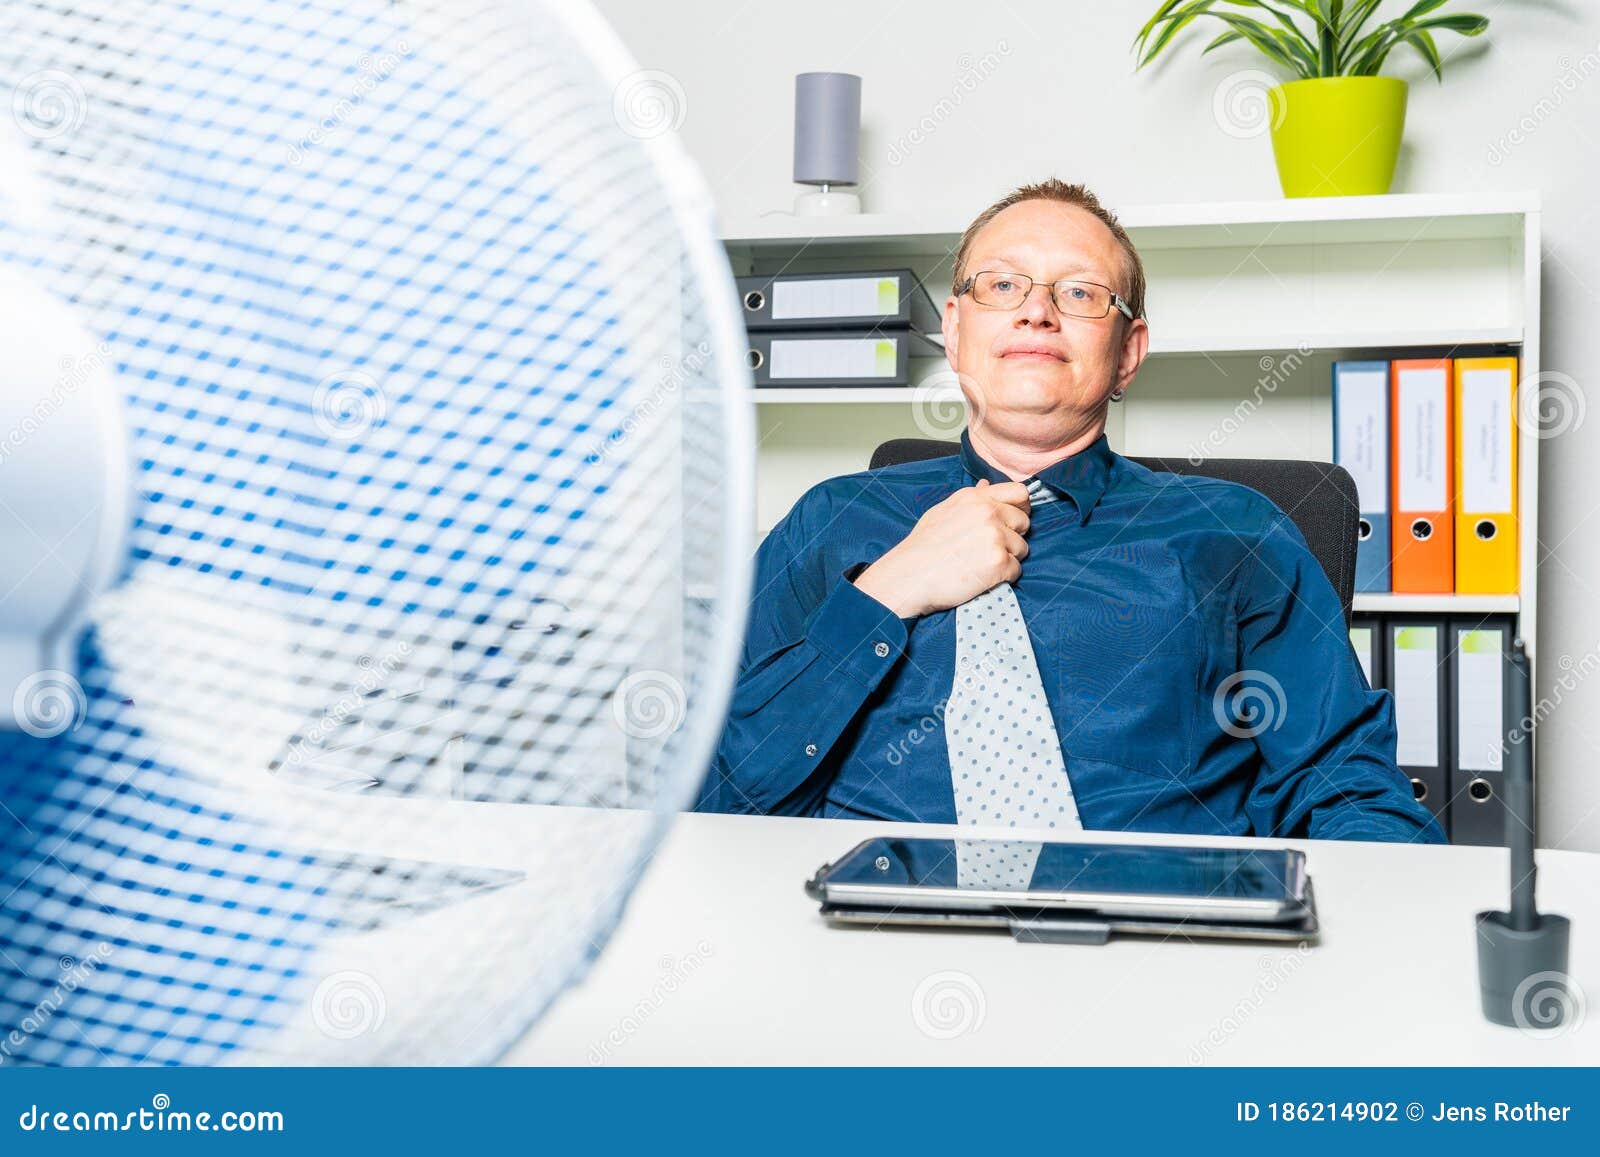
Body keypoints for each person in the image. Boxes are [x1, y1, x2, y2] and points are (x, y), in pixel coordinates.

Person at [696, 177, 1444, 844]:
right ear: (954, 332)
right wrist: (886, 593)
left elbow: (1348, 786)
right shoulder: (830, 521)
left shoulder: (1238, 534)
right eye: (1001, 286)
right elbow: (715, 796)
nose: (1036, 313)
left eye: (1080, 293)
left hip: (1156, 943)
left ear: (1127, 352)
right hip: (863, 936)